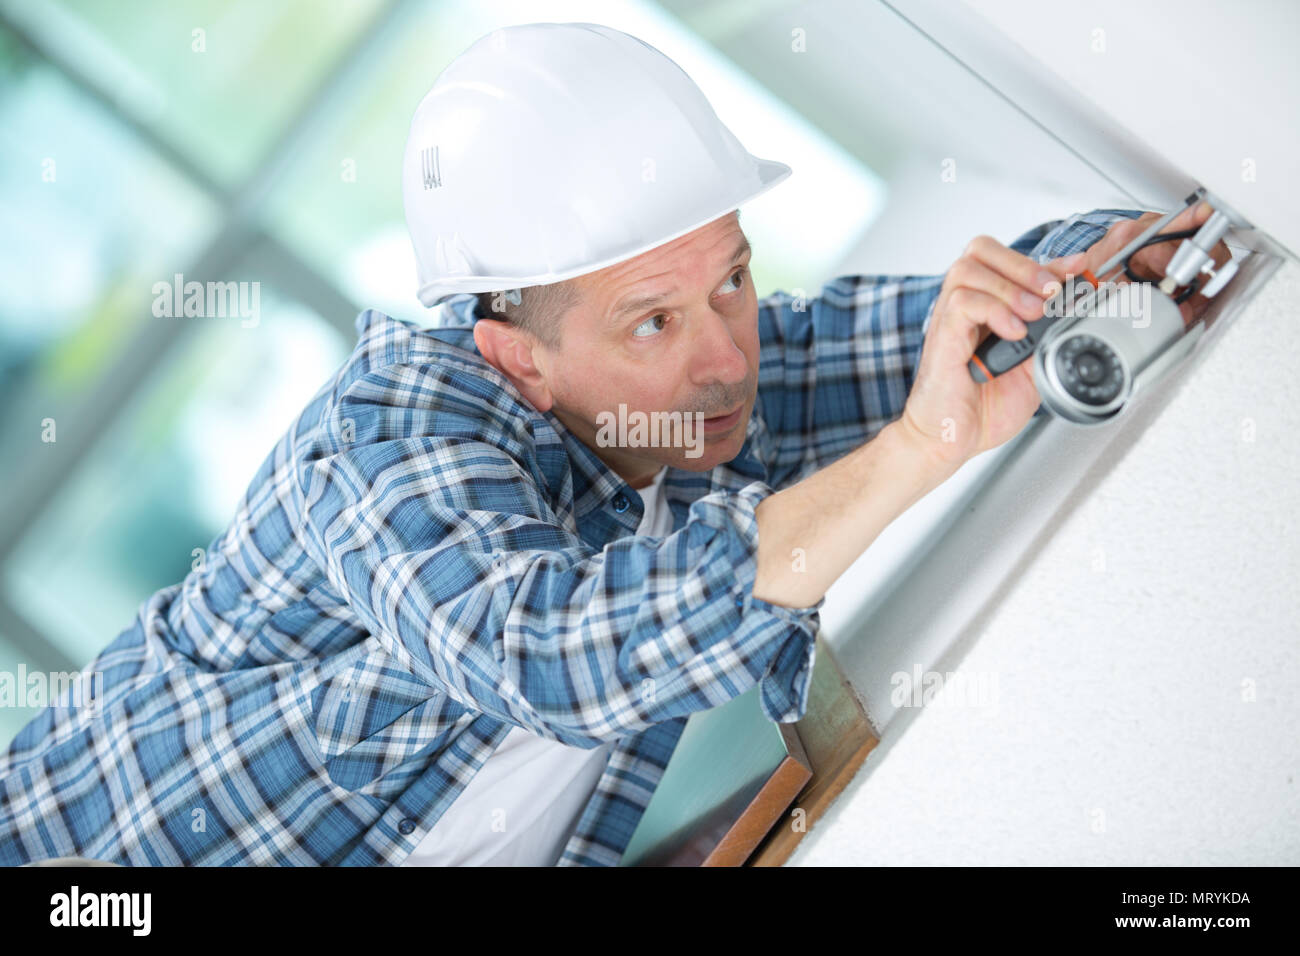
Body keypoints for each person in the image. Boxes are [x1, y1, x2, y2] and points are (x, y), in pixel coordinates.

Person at [0, 22, 1225, 866]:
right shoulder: (385, 444)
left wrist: (1113, 261)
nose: (726, 354)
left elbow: (940, 324)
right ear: (515, 357)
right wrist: (915, 451)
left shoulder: (701, 400)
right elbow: (556, 655)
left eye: (734, 277)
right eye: (653, 318)